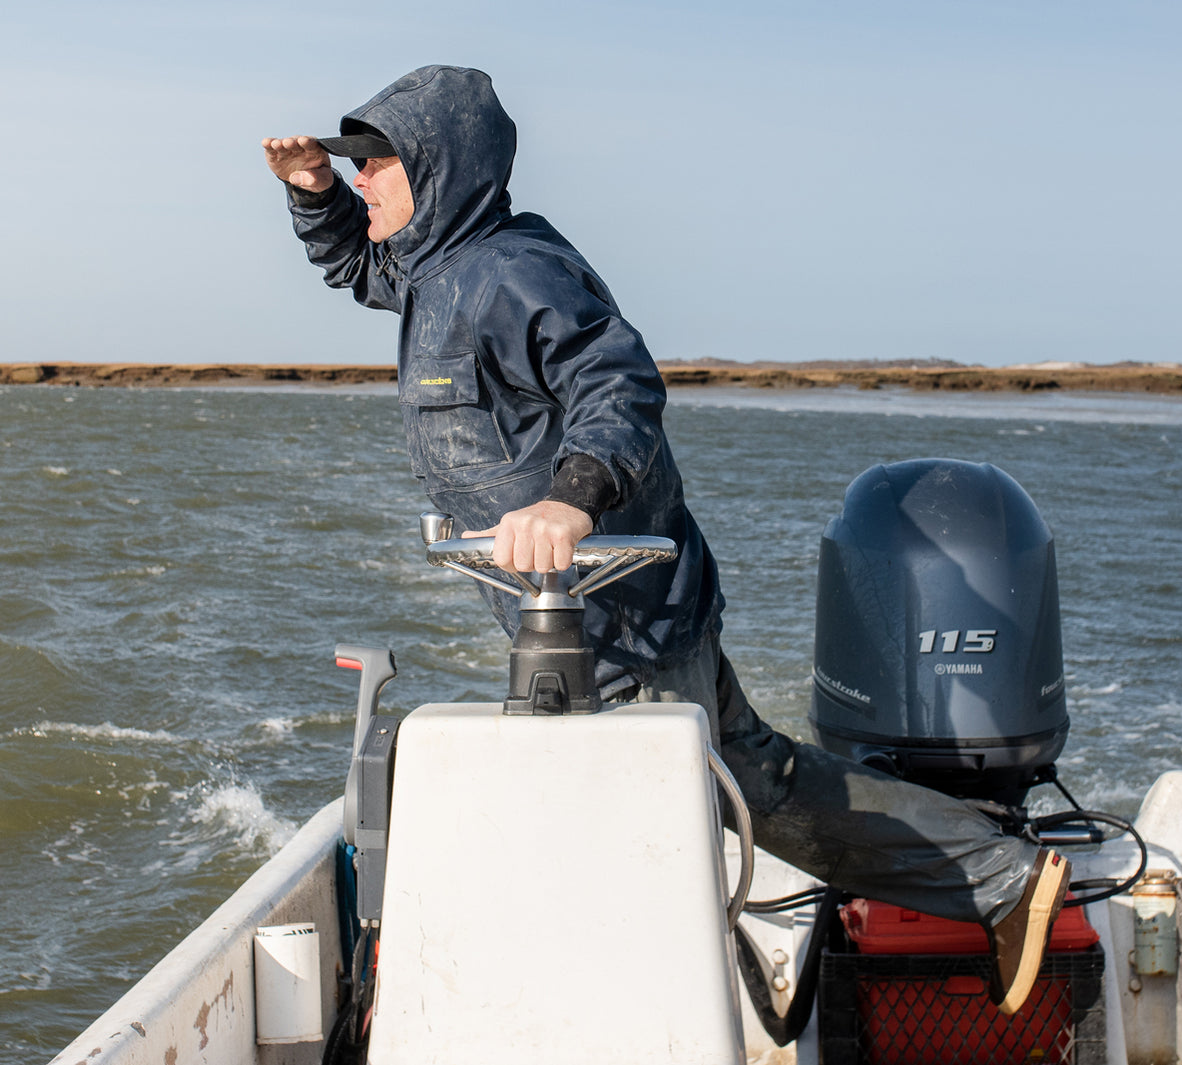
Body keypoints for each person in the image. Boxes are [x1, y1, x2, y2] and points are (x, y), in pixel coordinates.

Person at [263, 63, 1069, 1016]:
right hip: (587, 619)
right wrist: (314, 195)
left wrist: (573, 499)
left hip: (624, 624)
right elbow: (363, 268)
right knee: (753, 780)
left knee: (649, 816)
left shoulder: (515, 270)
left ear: (439, 170)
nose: (364, 182)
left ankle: (626, 1013)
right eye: (356, 168)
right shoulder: (438, 267)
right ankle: (999, 877)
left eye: (377, 166)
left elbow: (620, 385)